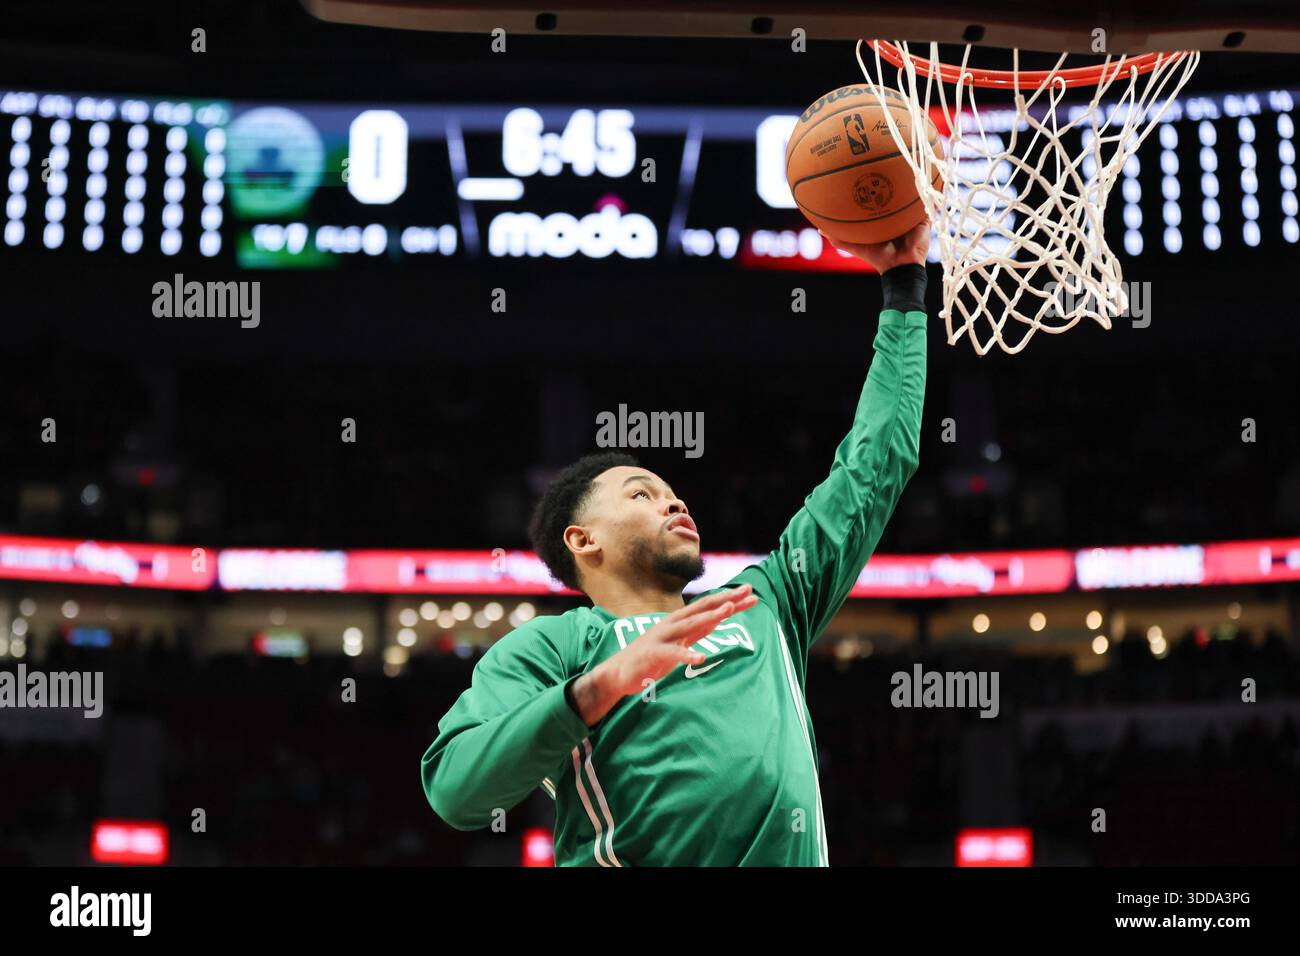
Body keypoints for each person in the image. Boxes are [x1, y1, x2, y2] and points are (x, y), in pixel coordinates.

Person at [421, 220, 931, 865]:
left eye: (671, 492)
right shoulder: (558, 646)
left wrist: (904, 286)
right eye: (641, 493)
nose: (673, 500)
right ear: (583, 540)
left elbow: (873, 467)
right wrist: (599, 689)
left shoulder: (764, 602)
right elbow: (456, 791)